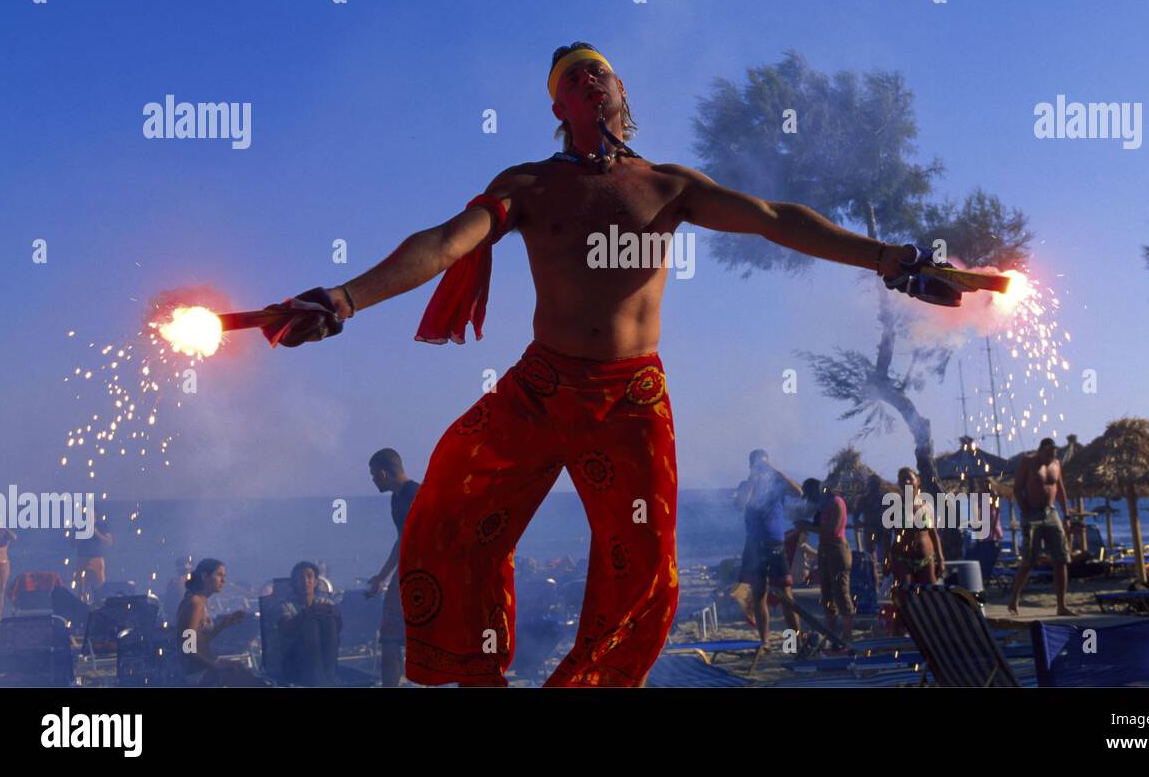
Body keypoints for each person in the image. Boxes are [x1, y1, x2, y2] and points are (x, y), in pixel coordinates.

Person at [265, 41, 955, 686]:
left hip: (630, 398)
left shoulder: (667, 185)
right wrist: (346, 297)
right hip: (541, 387)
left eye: (596, 71)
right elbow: (448, 240)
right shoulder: (530, 184)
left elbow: (775, 216)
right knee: (445, 504)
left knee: (650, 575)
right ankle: (479, 674)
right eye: (570, 79)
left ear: (621, 90)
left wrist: (887, 258)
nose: (586, 81)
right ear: (558, 110)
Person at [364, 447, 420, 687]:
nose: (373, 480)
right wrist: (382, 577)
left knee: (406, 636)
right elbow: (402, 540)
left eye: (373, 475)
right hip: (406, 573)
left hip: (424, 575)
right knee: (390, 637)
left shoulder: (416, 494)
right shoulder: (396, 498)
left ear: (383, 474)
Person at [737, 449, 803, 648]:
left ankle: (794, 642)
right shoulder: (746, 485)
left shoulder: (777, 485)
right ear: (750, 466)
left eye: (763, 465)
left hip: (774, 542)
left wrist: (774, 471)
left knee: (785, 594)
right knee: (759, 594)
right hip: (754, 543)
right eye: (757, 465)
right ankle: (764, 641)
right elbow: (741, 505)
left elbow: (798, 492)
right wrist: (752, 480)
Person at [1007, 438, 1074, 616]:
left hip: (1051, 513)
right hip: (1032, 514)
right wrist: (1025, 512)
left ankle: (1061, 605)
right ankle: (1014, 598)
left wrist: (1066, 515)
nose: (1051, 456)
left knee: (1061, 558)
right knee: (1029, 560)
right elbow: (1017, 489)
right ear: (1040, 450)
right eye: (1048, 453)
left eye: (1054, 453)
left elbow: (1060, 490)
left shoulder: (1056, 464)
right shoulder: (1028, 463)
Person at [175, 559, 261, 686]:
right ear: (205, 576)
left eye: (224, 576)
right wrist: (216, 663)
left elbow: (198, 642)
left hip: (203, 668)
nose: (223, 580)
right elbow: (188, 648)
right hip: (197, 674)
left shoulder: (202, 602)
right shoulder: (195, 603)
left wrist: (223, 625)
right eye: (219, 575)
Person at [798, 478, 855, 644]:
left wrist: (806, 527)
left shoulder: (836, 503)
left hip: (837, 550)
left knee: (841, 592)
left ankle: (847, 635)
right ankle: (831, 633)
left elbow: (832, 529)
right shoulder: (824, 505)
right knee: (827, 593)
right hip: (825, 550)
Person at [278, 561, 342, 687]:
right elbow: (286, 629)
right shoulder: (285, 605)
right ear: (294, 583)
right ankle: (318, 677)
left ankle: (329, 673)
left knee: (329, 620)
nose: (305, 581)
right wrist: (308, 614)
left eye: (309, 576)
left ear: (316, 581)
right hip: (295, 660)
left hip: (324, 656)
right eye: (300, 578)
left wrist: (334, 613)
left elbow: (338, 627)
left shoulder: (325, 602)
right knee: (311, 624)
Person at [889, 467, 945, 587]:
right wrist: (887, 560)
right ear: (899, 483)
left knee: (929, 595)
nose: (907, 482)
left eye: (910, 478)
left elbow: (933, 534)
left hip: (926, 559)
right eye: (903, 479)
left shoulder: (926, 506)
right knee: (905, 596)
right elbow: (885, 536)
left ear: (918, 480)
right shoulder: (895, 507)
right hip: (902, 560)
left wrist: (940, 559)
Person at [72, 516, 114, 603]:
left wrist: (96, 532)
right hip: (82, 558)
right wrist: (82, 534)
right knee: (81, 587)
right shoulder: (80, 526)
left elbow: (109, 541)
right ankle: (82, 607)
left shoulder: (101, 525)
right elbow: (73, 544)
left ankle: (100, 607)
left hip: (96, 560)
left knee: (99, 587)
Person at [0, 528, 15, 617]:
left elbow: (15, 537)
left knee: (2, 588)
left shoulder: (6, 537)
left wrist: (5, 529)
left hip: (3, 563)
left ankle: (0, 614)